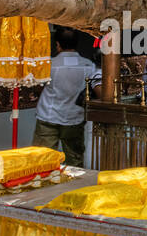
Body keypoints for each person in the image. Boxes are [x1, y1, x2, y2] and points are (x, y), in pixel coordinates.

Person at [33, 26, 101, 168]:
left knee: (42, 160)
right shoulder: (88, 66)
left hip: (48, 117)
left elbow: (38, 85)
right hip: (74, 118)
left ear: (57, 44)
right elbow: (97, 87)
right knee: (75, 160)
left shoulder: (49, 65)